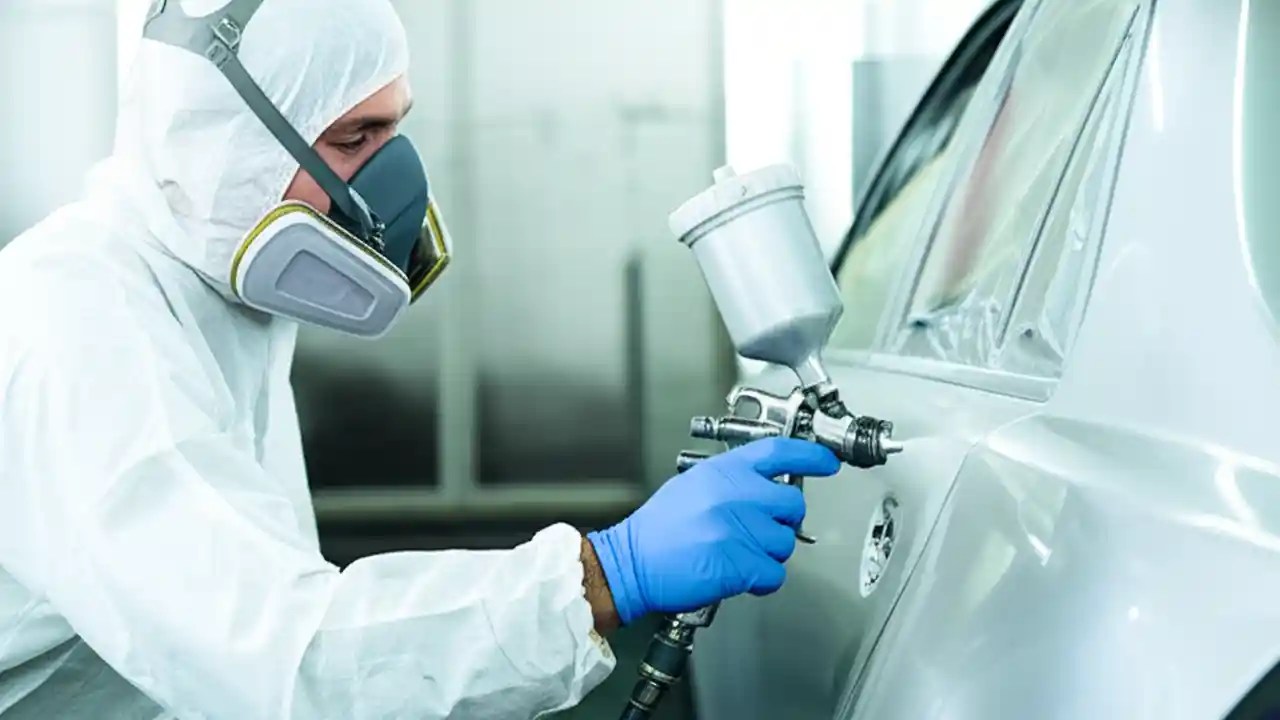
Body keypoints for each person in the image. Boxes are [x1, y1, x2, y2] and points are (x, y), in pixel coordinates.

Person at [0, 0, 839, 718]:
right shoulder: (84, 327)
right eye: (356, 136)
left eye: (395, 127)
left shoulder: (215, 296)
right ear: (227, 149)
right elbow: (288, 661)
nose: (391, 180)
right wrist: (600, 577)